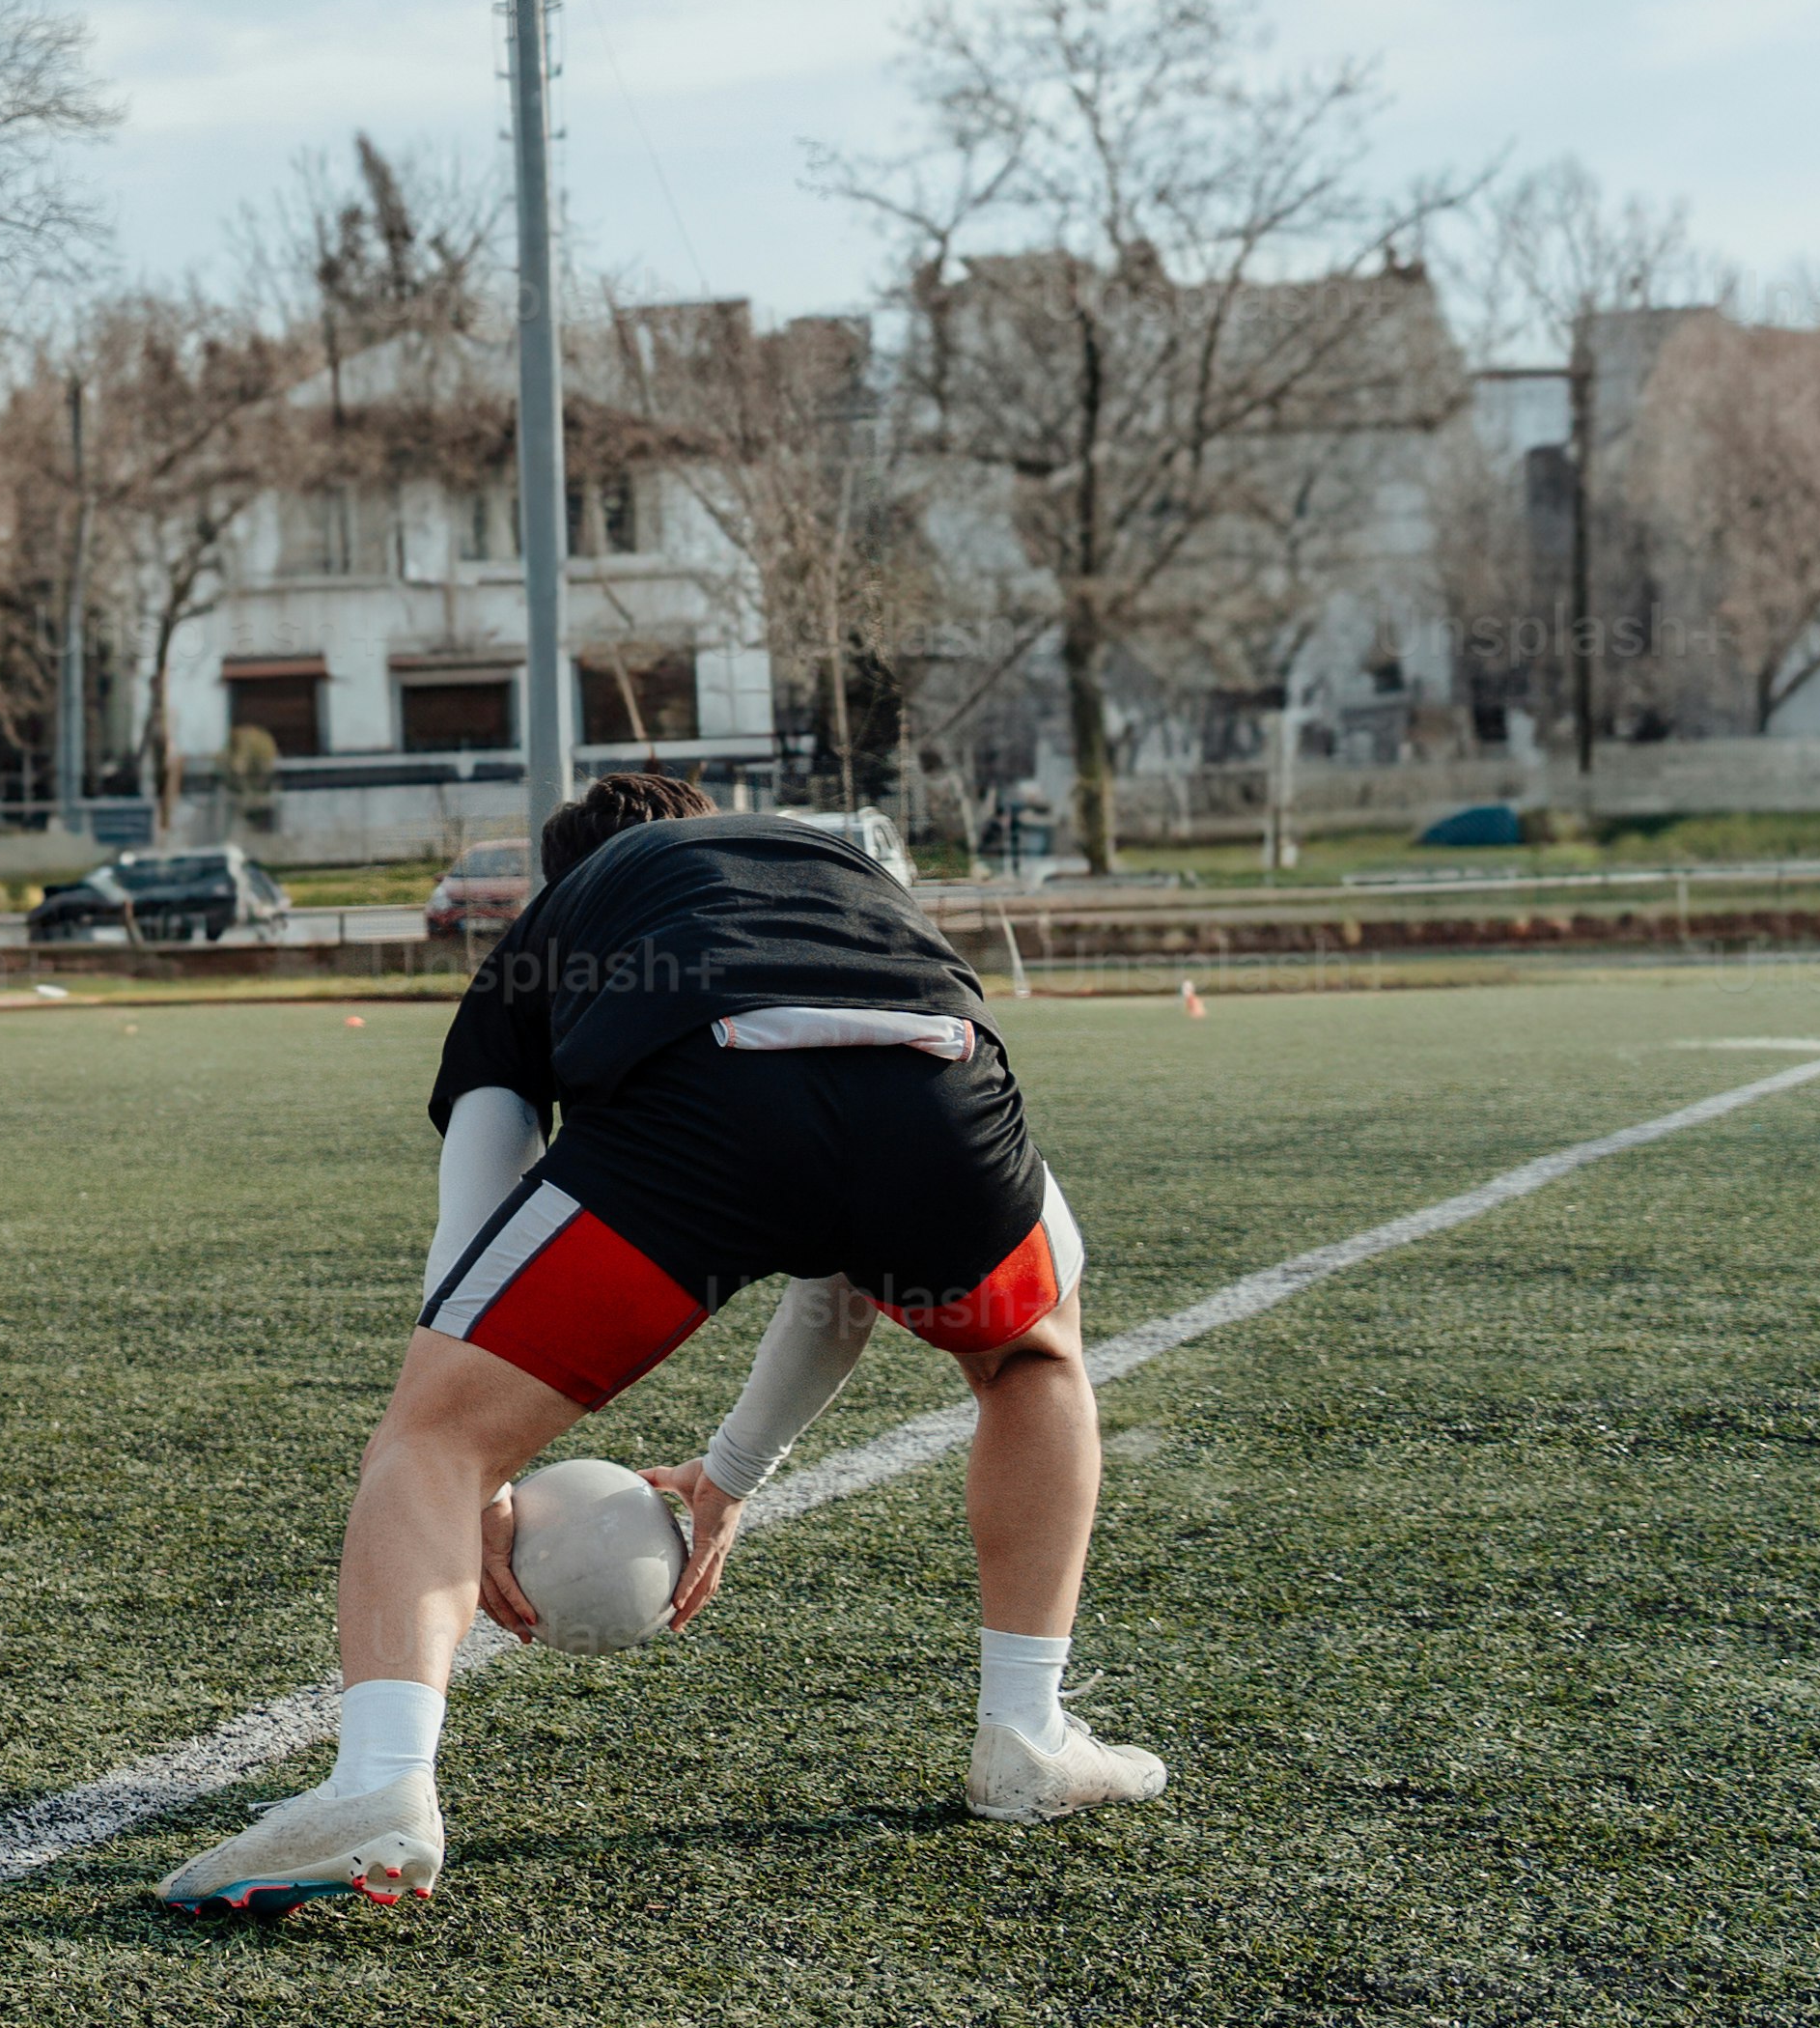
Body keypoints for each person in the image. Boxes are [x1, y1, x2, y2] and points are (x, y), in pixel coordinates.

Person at [157, 766, 1166, 1920]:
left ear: (563, 879)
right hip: (933, 1063)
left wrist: (471, 1456)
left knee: (427, 1441)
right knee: (1034, 1363)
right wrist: (730, 1475)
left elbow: (480, 1186)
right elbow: (850, 1249)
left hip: (705, 1084)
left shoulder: (561, 917)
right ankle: (1025, 1735)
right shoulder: (827, 866)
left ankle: (379, 1783)